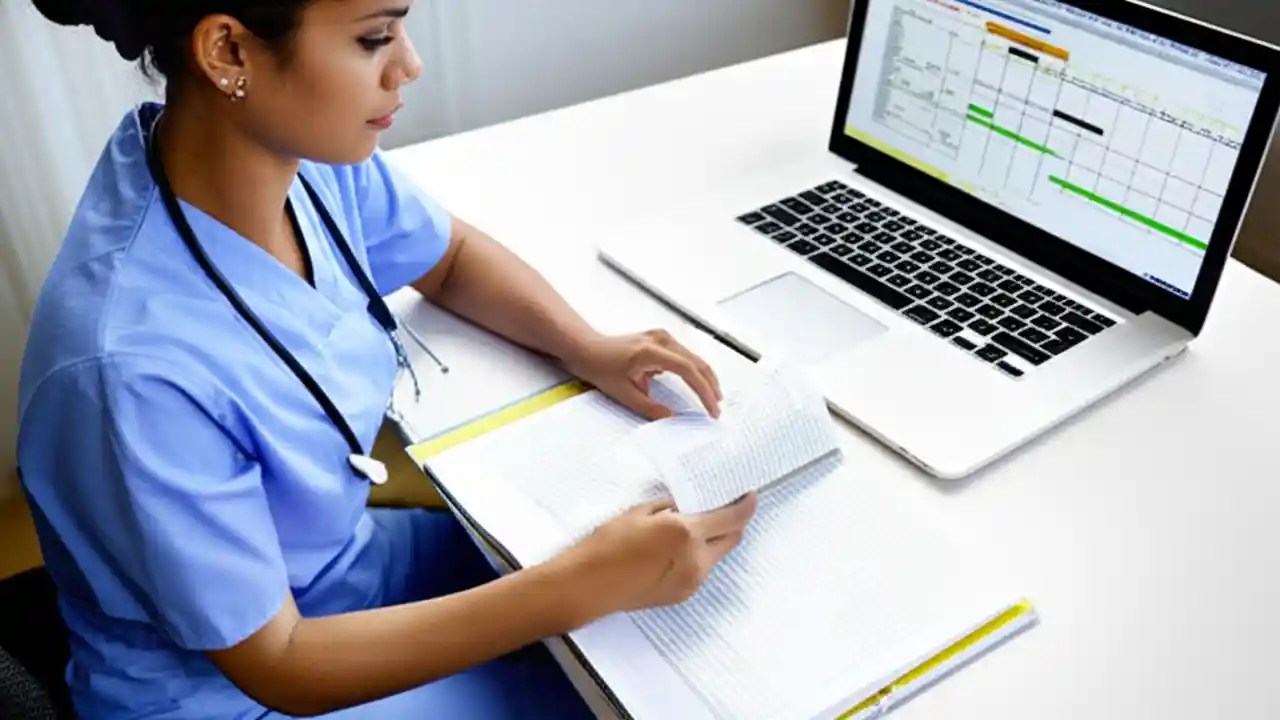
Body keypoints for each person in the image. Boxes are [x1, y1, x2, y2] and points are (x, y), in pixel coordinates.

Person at [16, 1, 758, 717]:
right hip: (243, 693)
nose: (410, 65)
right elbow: (282, 666)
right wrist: (580, 589)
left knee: (650, 561)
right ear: (229, 52)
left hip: (344, 569)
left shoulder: (296, 155)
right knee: (629, 683)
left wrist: (585, 346)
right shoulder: (130, 369)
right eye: (375, 39)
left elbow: (450, 257)